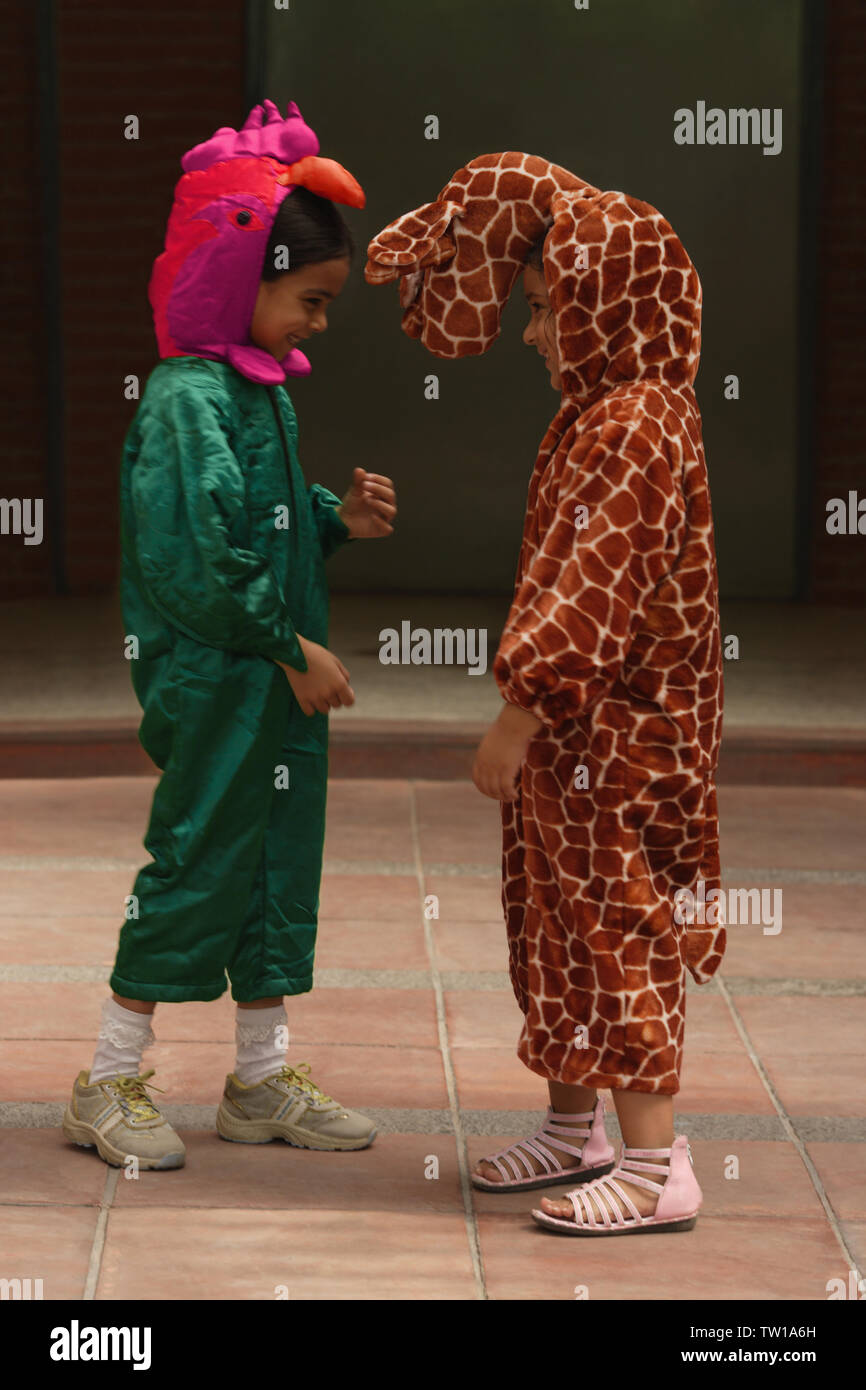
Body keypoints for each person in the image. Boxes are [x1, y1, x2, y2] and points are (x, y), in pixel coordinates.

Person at [366, 152, 724, 1235]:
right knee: (556, 920)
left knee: (615, 926)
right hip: (582, 739)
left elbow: (593, 592)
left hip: (616, 738)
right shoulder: (596, 411)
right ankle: (577, 1132)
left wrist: (518, 710)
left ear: (606, 303)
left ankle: (657, 1165)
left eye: (543, 308)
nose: (526, 333)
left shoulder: (634, 429)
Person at [62, 99, 396, 1170]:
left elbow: (263, 516)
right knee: (200, 853)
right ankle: (108, 1079)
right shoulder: (179, 400)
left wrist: (336, 517)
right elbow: (193, 562)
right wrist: (289, 647)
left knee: (273, 862)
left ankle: (259, 1078)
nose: (318, 323)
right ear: (235, 274)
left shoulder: (254, 394)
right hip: (222, 678)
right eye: (309, 299)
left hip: (270, 674)